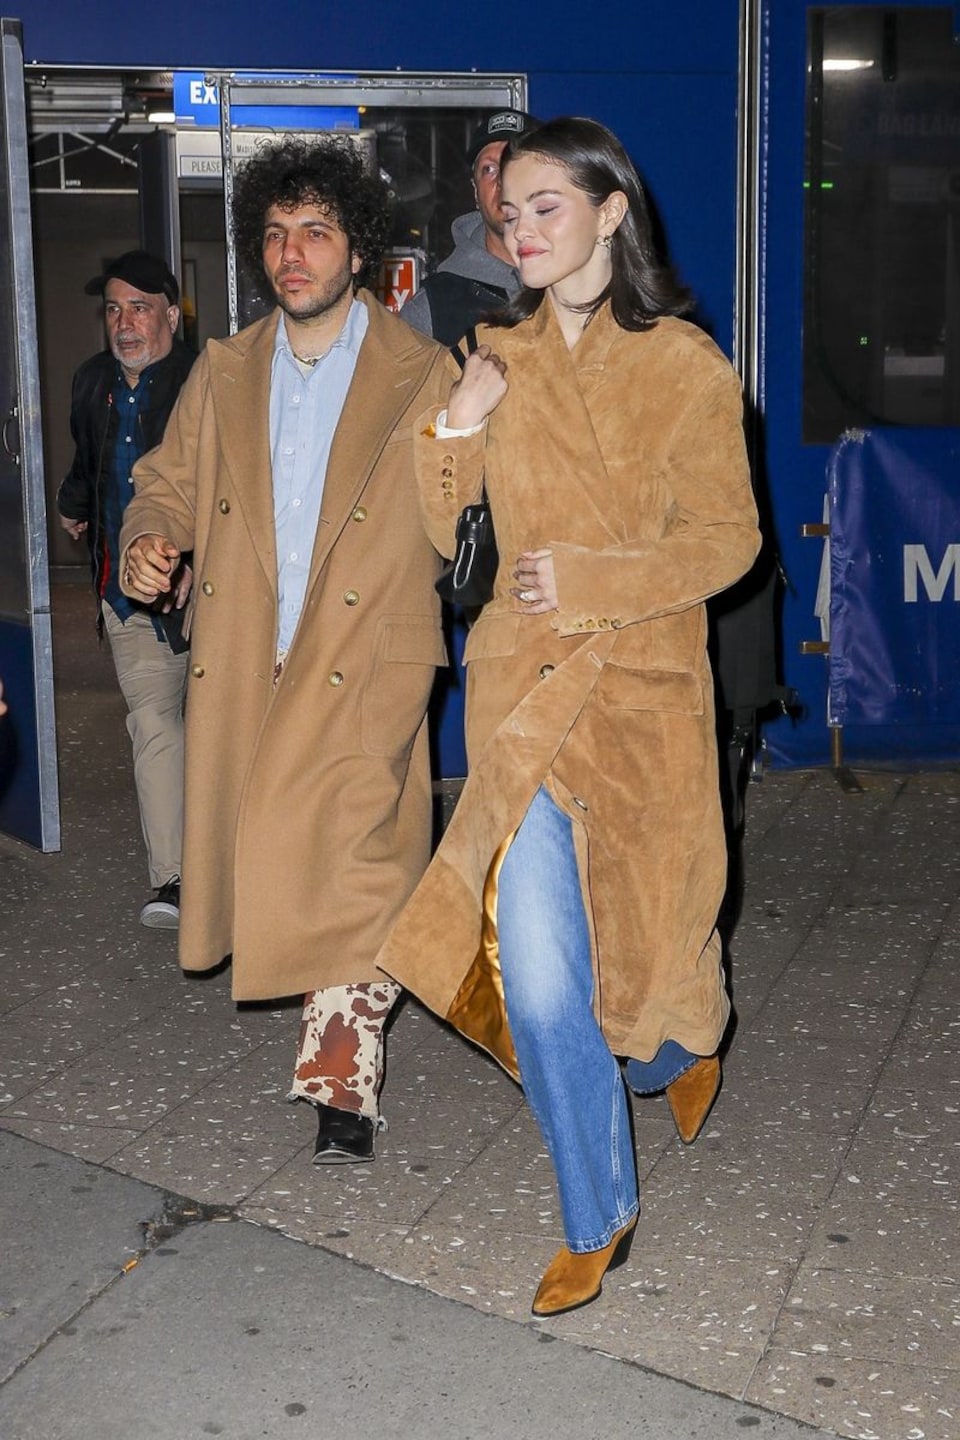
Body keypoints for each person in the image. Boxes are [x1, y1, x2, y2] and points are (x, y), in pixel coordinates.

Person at [377, 117, 762, 1315]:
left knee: (648, 972)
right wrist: (458, 423)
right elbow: (440, 526)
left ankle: (689, 1039)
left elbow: (731, 538)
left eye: (550, 207)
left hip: (640, 701)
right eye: (512, 213)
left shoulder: (687, 368)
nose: (523, 230)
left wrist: (596, 577)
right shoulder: (496, 352)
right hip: (526, 703)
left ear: (611, 212)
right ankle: (597, 1212)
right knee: (543, 983)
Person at [119, 136, 453, 1165]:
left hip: (364, 657)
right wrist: (149, 540)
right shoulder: (225, 370)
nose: (292, 253)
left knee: (357, 867)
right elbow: (166, 481)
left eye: (315, 231)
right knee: (292, 855)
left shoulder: (423, 370)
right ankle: (335, 1055)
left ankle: (339, 1077)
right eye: (274, 233)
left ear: (359, 251)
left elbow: (462, 514)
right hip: (250, 655)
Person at [57, 250, 195, 929]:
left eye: (140, 306)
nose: (124, 321)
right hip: (127, 596)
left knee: (228, 731)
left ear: (172, 313)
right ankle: (174, 878)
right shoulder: (92, 381)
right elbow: (89, 456)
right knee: (154, 723)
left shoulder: (210, 380)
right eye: (113, 309)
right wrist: (73, 501)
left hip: (212, 594)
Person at [400, 109, 540, 345]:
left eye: (517, 165)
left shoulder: (580, 286)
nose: (503, 181)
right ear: (475, 191)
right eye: (490, 169)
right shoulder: (433, 309)